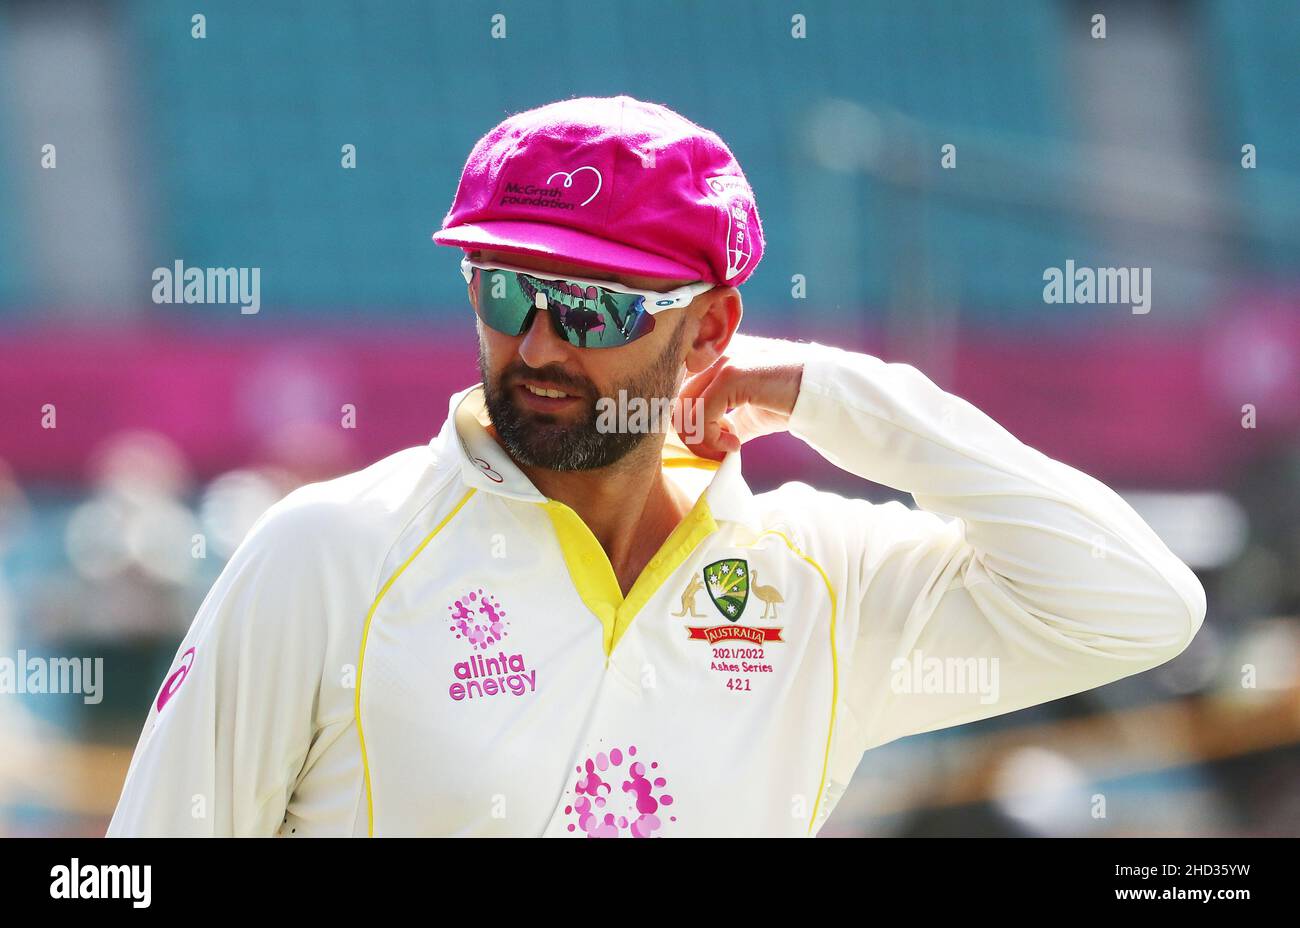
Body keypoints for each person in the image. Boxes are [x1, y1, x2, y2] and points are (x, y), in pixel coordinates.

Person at [107, 95, 1205, 838]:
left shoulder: (818, 576)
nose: (535, 343)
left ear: (714, 327)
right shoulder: (329, 549)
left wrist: (830, 392)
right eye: (501, 289)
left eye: (590, 304)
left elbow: (1139, 606)